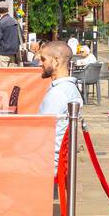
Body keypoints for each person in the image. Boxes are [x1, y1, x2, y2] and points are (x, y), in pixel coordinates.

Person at [38, 41, 83, 169]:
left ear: (56, 60)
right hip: (56, 161)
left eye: (43, 59)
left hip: (46, 163)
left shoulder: (58, 93)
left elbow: (40, 134)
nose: (40, 63)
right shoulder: (69, 89)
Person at [0, 1, 20, 67]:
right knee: (11, 74)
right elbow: (21, 38)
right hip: (13, 55)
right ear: (8, 9)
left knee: (2, 73)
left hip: (2, 55)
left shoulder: (0, 24)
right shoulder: (15, 22)